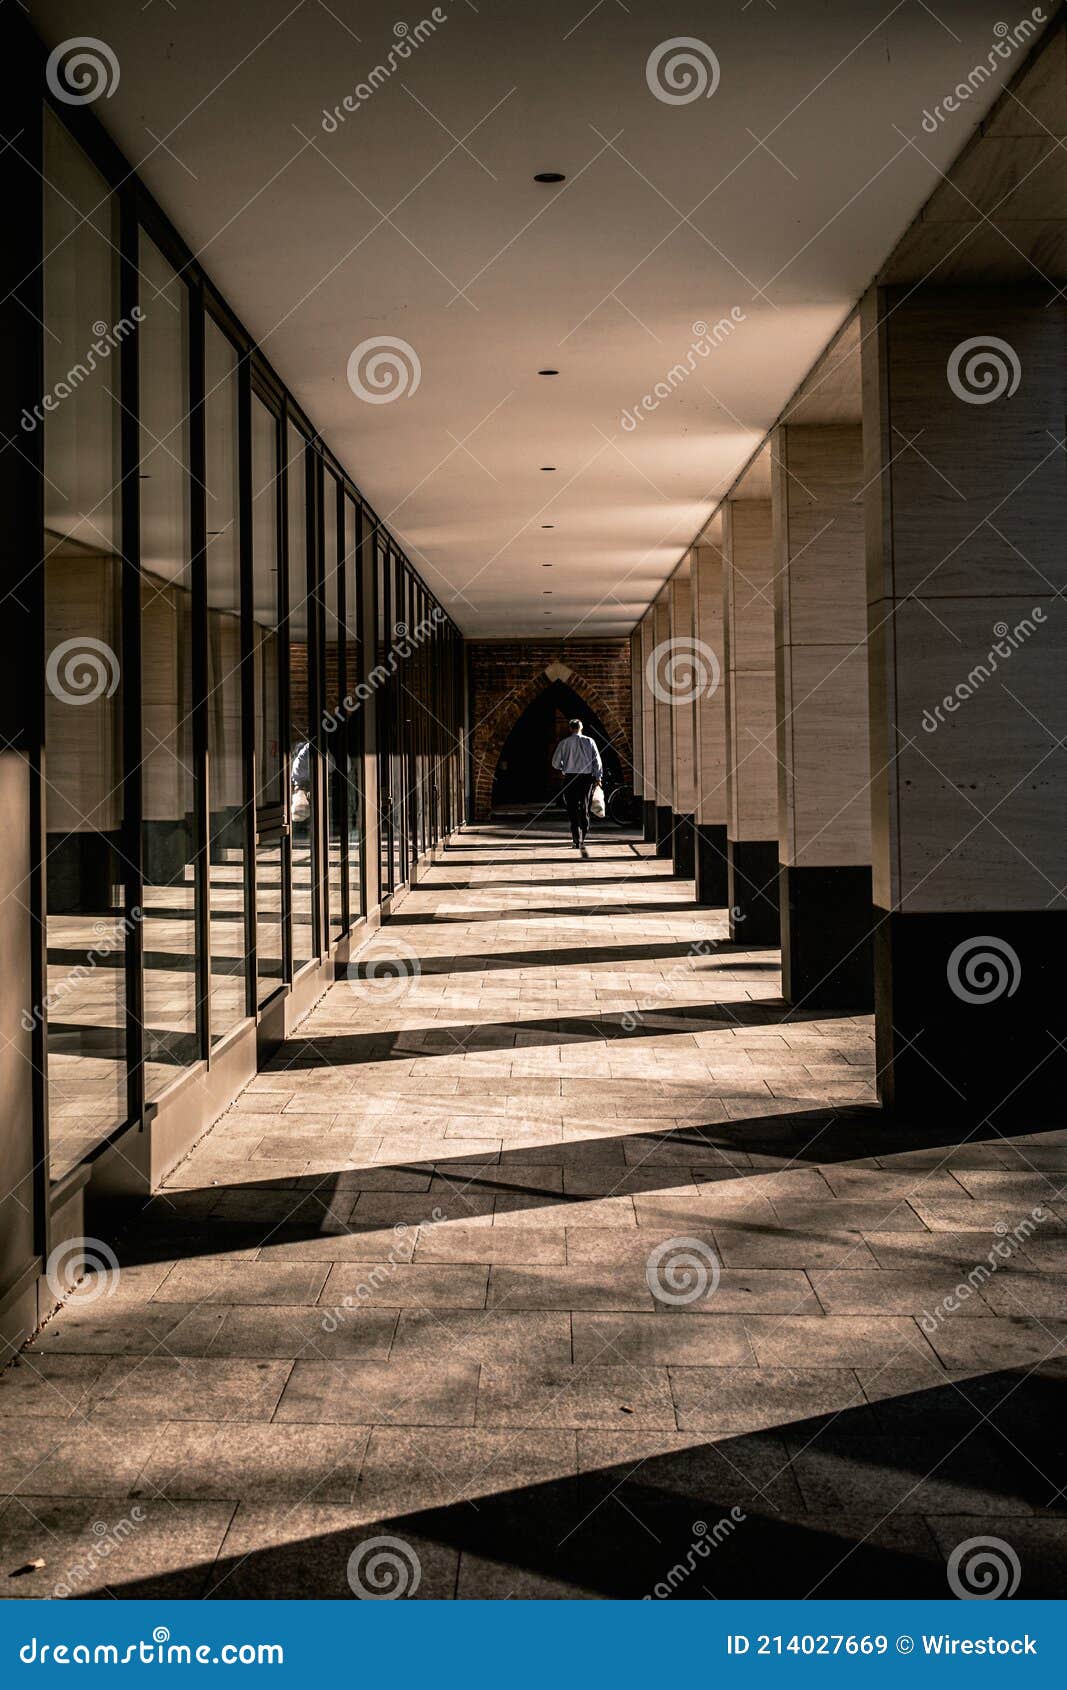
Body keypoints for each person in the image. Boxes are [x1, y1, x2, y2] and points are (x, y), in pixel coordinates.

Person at [551, 717, 603, 857]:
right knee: (585, 806)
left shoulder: (564, 743)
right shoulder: (589, 741)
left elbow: (555, 763)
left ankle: (576, 839)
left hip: (570, 777)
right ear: (581, 728)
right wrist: (598, 777)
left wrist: (564, 768)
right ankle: (583, 837)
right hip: (586, 778)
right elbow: (597, 761)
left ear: (570, 728)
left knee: (572, 808)